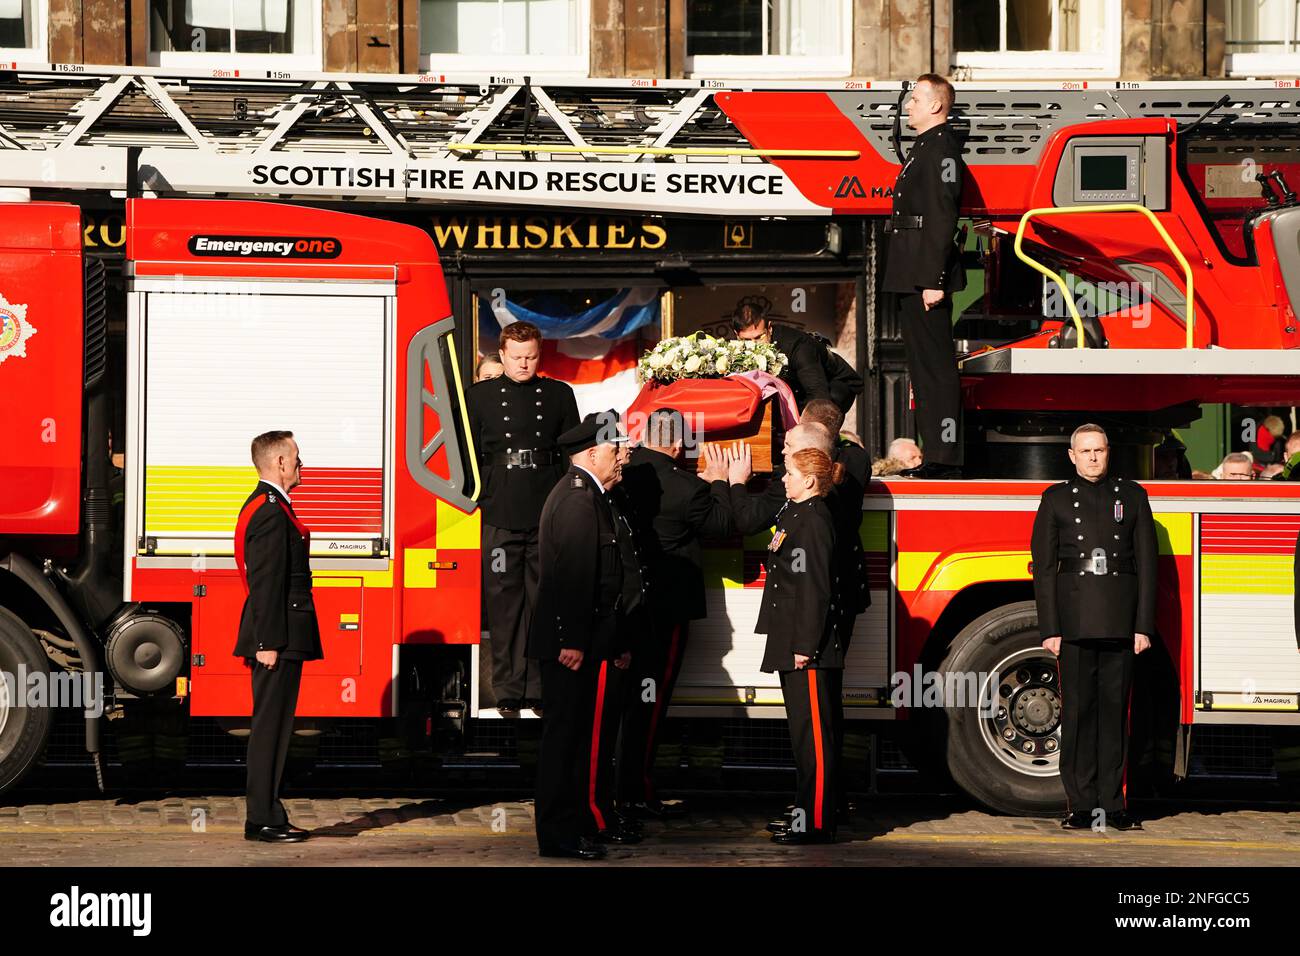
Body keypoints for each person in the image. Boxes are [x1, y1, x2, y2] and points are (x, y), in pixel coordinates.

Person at [1031, 423, 1156, 831]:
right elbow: (1045, 570)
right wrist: (1050, 627)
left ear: (1108, 451)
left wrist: (1143, 626)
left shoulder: (1133, 496)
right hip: (1075, 622)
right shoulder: (1055, 499)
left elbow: (1148, 566)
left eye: (1098, 450)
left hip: (1120, 621)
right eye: (1084, 451)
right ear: (1071, 456)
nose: (1092, 457)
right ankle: (1082, 806)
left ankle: (1114, 805)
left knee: (1115, 715)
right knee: (1079, 715)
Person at [614, 409, 734, 819]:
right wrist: (720, 481)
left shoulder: (622, 476)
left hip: (624, 608)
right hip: (665, 611)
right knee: (651, 700)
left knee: (624, 700)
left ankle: (616, 785)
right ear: (679, 445)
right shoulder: (687, 488)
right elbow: (724, 524)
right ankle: (635, 789)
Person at [528, 411, 631, 860]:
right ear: (593, 451)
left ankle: (569, 831)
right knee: (564, 743)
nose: (620, 456)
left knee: (573, 741)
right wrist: (573, 639)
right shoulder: (576, 498)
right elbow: (571, 575)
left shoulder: (590, 494)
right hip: (569, 645)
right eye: (614, 449)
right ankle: (559, 837)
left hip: (580, 640)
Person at [466, 321, 579, 716]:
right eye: (516, 358)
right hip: (498, 508)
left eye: (531, 357)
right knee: (503, 603)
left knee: (542, 602)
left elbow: (571, 456)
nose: (523, 364)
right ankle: (508, 688)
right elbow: (468, 458)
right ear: (502, 354)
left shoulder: (558, 395)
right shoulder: (478, 397)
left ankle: (538, 685)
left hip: (545, 508)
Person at [233, 430, 321, 844]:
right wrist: (267, 641)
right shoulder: (269, 510)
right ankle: (262, 817)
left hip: (281, 633)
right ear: (280, 464)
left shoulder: (270, 506)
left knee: (275, 726)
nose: (302, 465)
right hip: (277, 636)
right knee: (270, 726)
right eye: (297, 459)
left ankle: (268, 813)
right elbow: (266, 580)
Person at [756, 447, 842, 844]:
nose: (783, 479)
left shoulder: (813, 521)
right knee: (801, 737)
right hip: (790, 638)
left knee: (814, 741)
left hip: (804, 645)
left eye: (789, 473)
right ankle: (805, 811)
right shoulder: (796, 514)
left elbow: (815, 589)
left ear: (809, 480)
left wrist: (805, 644)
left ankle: (817, 821)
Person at [883, 73, 967, 479]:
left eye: (916, 99)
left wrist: (933, 278)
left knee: (935, 369)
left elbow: (942, 215)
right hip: (912, 271)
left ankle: (945, 458)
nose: (909, 106)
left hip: (923, 276)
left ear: (936, 105)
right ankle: (936, 453)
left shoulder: (941, 148)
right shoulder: (926, 148)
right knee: (922, 368)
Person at [732, 304, 862, 414]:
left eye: (759, 337)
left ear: (769, 328)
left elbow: (819, 395)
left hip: (835, 383)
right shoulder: (734, 351)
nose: (754, 345)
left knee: (823, 406)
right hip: (797, 386)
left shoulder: (799, 347)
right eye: (747, 340)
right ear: (737, 335)